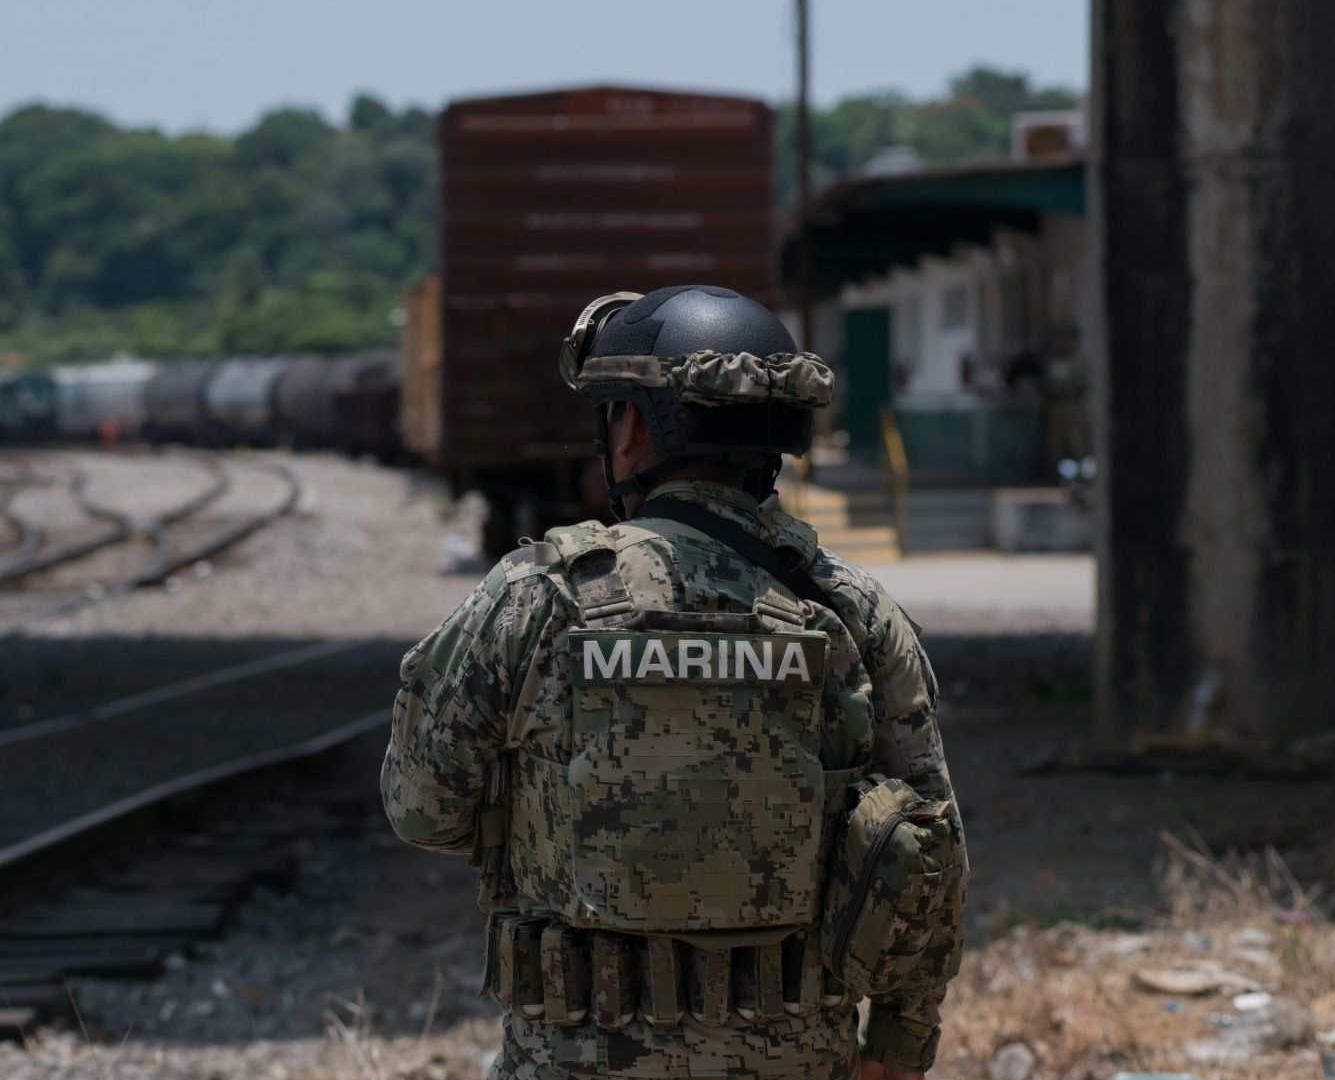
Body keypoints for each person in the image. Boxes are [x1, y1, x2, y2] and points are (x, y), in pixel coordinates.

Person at [383, 285, 967, 1080]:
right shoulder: (849, 612)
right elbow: (931, 847)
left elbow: (422, 809)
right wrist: (898, 1050)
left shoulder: (537, 599)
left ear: (630, 431)